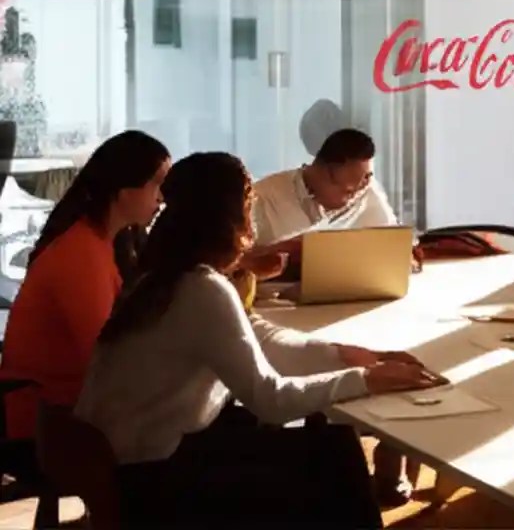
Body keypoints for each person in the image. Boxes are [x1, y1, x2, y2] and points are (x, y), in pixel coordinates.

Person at [75, 152, 435, 528]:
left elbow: (253, 335)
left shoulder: (160, 278)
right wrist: (365, 380)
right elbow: (271, 400)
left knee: (325, 446)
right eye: (248, 205)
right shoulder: (200, 288)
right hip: (153, 481)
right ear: (229, 217)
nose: (252, 220)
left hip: (128, 463)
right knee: (334, 457)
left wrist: (347, 356)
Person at [247, 127, 424, 503]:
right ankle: (331, 464)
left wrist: (405, 251)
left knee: (401, 350)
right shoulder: (267, 196)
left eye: (365, 182)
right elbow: (241, 262)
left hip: (358, 299)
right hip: (286, 309)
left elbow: (391, 238)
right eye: (348, 187)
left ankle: (391, 458)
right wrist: (281, 256)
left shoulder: (365, 193)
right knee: (333, 359)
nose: (356, 193)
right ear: (323, 170)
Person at [0, 130, 170, 441]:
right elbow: (103, 356)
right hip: (45, 420)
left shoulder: (105, 243)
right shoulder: (79, 252)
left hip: (72, 406)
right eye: (156, 183)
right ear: (123, 187)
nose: (162, 197)